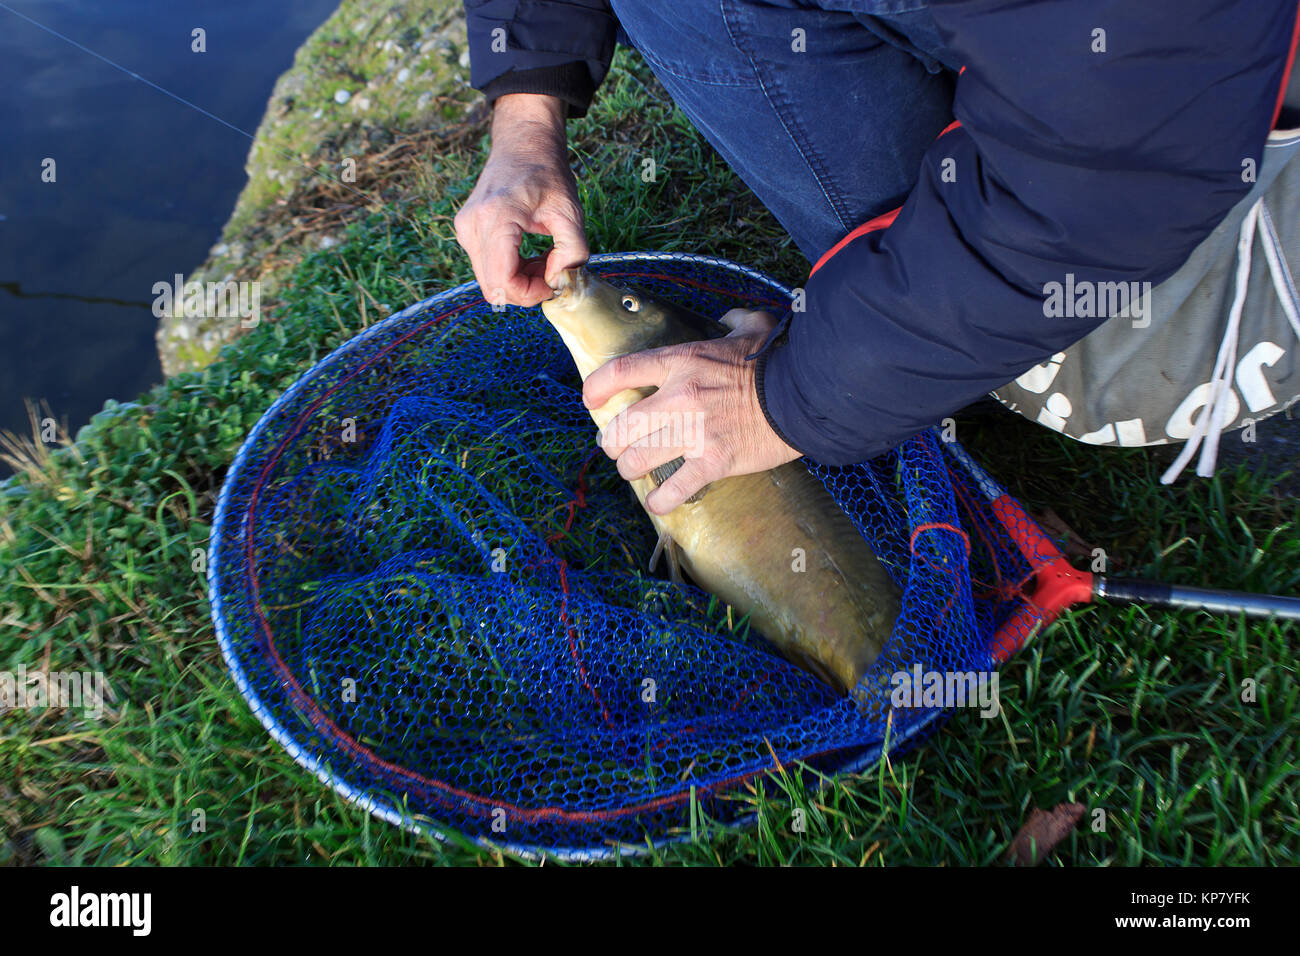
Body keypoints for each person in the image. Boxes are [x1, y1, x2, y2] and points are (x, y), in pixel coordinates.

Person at [455, 1, 1300, 513]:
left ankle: (1226, 352)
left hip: (1195, 86)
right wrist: (527, 116)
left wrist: (786, 398)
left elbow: (1105, 156)